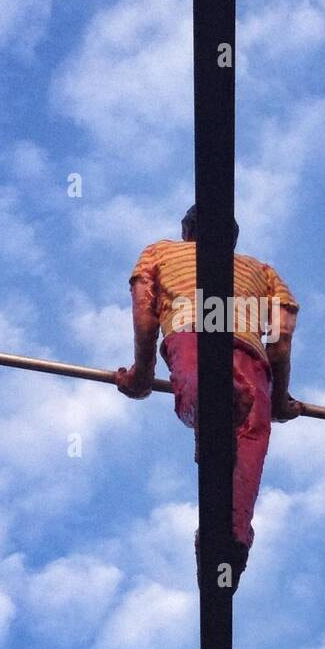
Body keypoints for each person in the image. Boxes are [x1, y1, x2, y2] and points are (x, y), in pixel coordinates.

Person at [115, 205, 299, 576]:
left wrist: (142, 375)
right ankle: (233, 537)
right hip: (252, 353)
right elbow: (280, 340)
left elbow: (146, 314)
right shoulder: (263, 272)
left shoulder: (159, 252)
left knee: (196, 390)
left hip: (191, 330)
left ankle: (215, 403)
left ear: (186, 231)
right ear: (232, 240)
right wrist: (278, 400)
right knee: (251, 441)